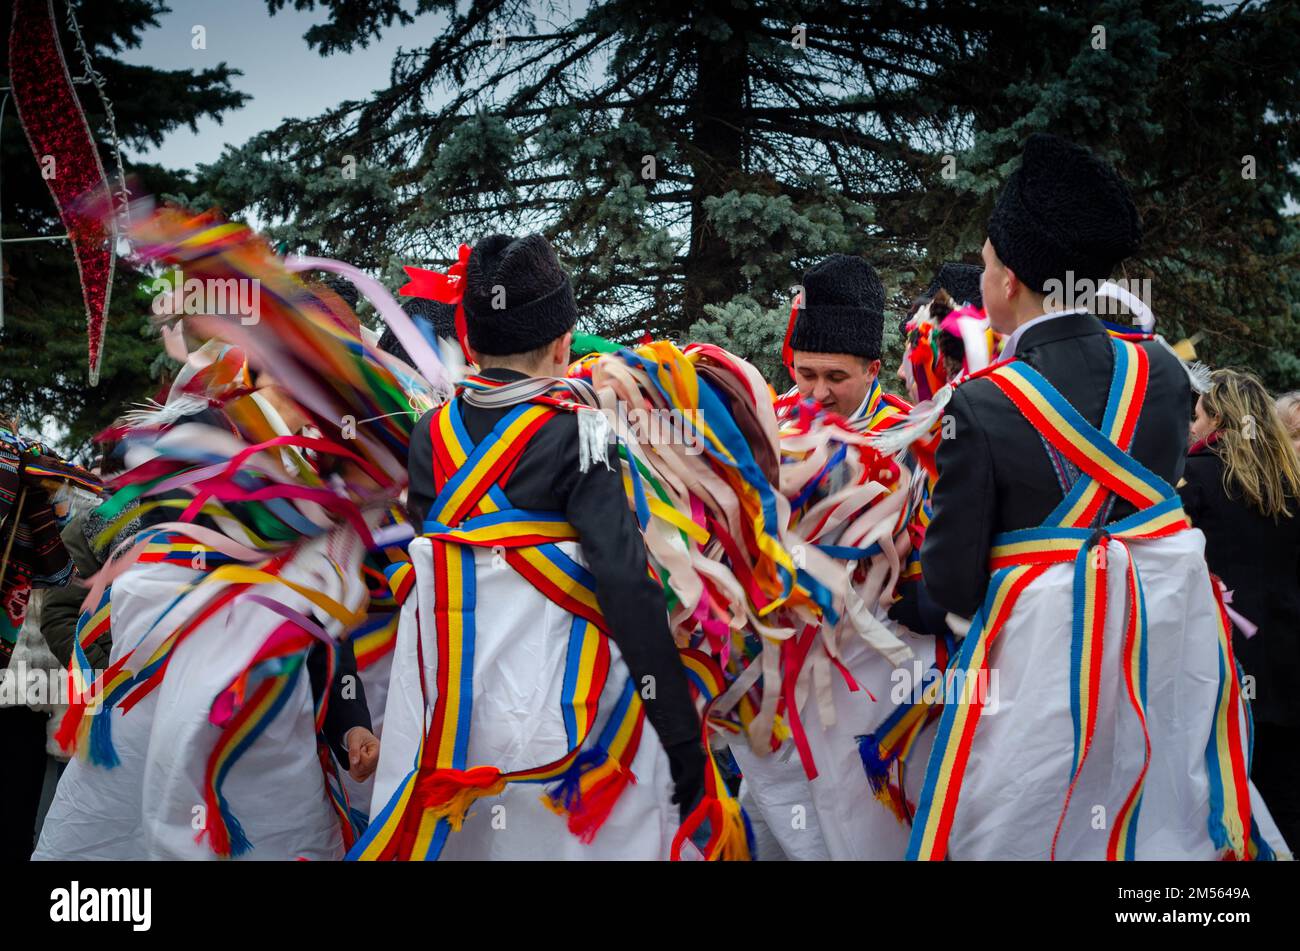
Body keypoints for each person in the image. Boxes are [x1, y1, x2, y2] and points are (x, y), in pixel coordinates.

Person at [915, 133, 1285, 859]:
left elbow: (952, 585)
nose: (983, 278)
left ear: (1009, 278)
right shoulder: (1166, 375)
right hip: (1164, 666)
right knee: (1163, 832)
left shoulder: (982, 404)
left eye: (986, 264)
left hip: (1037, 692)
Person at [359, 233, 706, 860]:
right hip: (562, 711)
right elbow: (625, 581)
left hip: (445, 706)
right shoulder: (588, 429)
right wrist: (680, 732)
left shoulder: (426, 434)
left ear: (470, 342)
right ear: (563, 341)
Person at [731, 254, 940, 860]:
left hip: (877, 673)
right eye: (804, 373)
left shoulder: (915, 437)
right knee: (778, 818)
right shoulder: (767, 426)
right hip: (783, 671)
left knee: (858, 823)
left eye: (835, 377)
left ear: (874, 368)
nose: (817, 392)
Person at [1181, 368, 1300, 851]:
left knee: (1226, 782)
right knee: (1285, 787)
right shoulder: (1290, 481)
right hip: (1288, 656)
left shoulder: (1197, 477)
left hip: (1224, 655)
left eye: (1198, 415)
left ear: (1218, 419)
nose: (1192, 426)